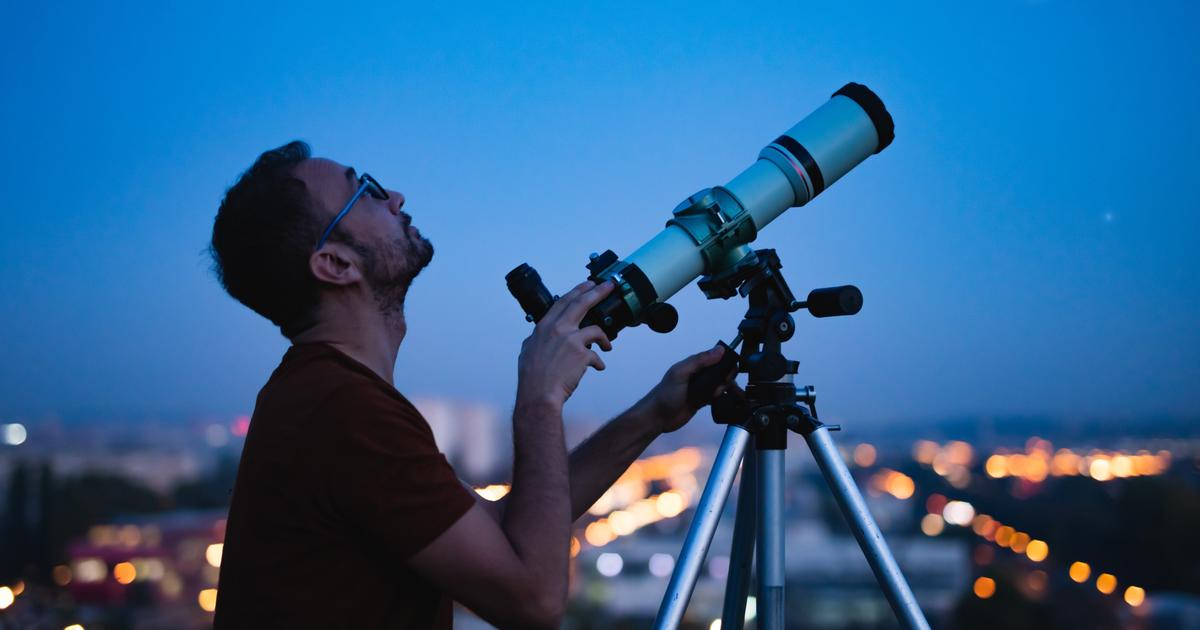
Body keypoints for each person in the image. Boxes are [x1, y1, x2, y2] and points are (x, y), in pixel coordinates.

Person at [208, 141, 729, 629]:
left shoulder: (323, 397)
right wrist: (539, 399)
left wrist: (653, 416)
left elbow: (506, 529)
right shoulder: (342, 412)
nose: (395, 196)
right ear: (336, 264)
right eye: (364, 190)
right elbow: (535, 600)